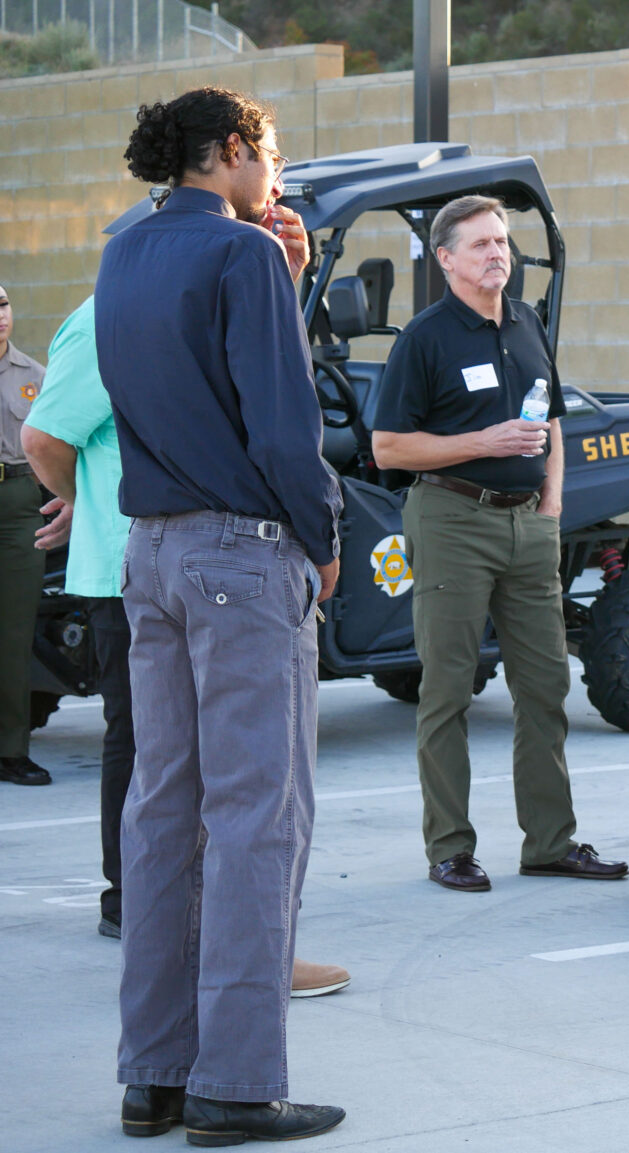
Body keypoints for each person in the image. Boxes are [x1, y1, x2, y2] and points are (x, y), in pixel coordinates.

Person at [94, 87, 346, 1143]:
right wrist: (325, 539)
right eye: (271, 154)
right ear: (231, 151)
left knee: (163, 815)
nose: (277, 174)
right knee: (255, 819)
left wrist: (279, 278)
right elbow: (284, 425)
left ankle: (153, 1076)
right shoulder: (241, 257)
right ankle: (238, 1086)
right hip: (241, 557)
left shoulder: (122, 253)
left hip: (150, 554)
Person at [21, 297, 355, 1004]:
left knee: (195, 764)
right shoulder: (110, 313)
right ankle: (159, 926)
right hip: (137, 562)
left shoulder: (208, 302)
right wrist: (85, 496)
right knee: (161, 760)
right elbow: (45, 437)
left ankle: (217, 939)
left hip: (190, 558)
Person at [372, 194, 627, 892]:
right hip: (452, 519)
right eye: (480, 244)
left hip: (528, 526)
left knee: (546, 684)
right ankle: (450, 847)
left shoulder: (527, 324)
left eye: (503, 242)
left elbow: (551, 424)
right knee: (448, 688)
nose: (497, 254)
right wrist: (480, 443)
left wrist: (552, 503)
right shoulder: (424, 338)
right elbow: (388, 446)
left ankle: (550, 841)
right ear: (446, 258)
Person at [0, 284, 50, 787]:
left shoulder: (36, 378)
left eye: (4, 304)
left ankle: (11, 750)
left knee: (14, 634)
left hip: (18, 506)